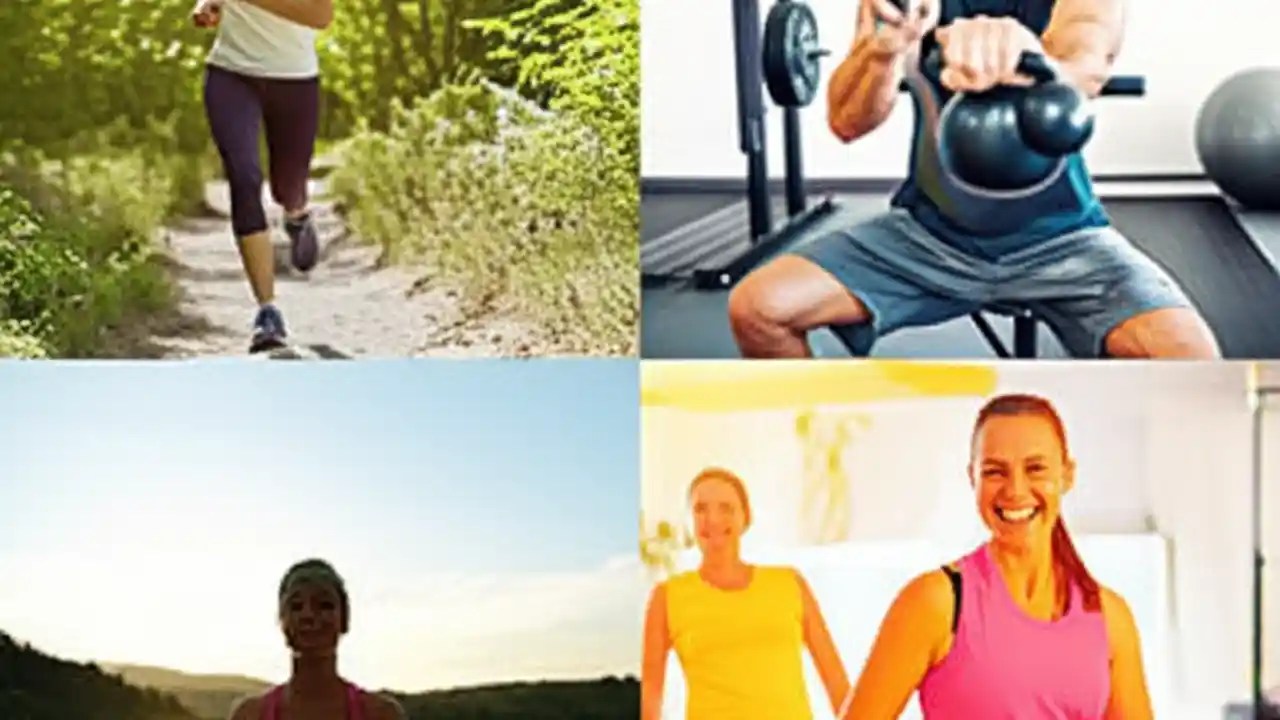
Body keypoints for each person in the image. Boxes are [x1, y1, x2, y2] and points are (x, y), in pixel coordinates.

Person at [727, 0, 1220, 360]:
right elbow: (846, 121)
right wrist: (880, 53)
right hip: (929, 238)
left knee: (1190, 357)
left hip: (1065, 242)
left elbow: (1085, 59)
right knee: (759, 308)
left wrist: (1030, 59)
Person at [842, 394, 1153, 719]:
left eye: (1035, 469)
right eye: (994, 472)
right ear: (972, 478)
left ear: (1067, 475)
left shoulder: (1110, 619)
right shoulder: (935, 603)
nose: (1015, 490)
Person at [641, 468, 852, 720]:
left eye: (726, 508)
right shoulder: (667, 597)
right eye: (700, 509)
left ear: (746, 517)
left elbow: (839, 688)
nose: (713, 519)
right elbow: (648, 701)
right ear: (689, 523)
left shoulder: (789, 583)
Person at [191, 0, 332, 352]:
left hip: (295, 81)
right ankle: (267, 312)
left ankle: (297, 215)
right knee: (244, 177)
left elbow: (320, 16)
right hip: (231, 73)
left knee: (288, 187)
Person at [228, 559, 406, 720]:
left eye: (324, 605)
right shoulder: (250, 715)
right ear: (281, 620)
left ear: (344, 620)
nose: (308, 615)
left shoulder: (380, 714)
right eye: (296, 606)